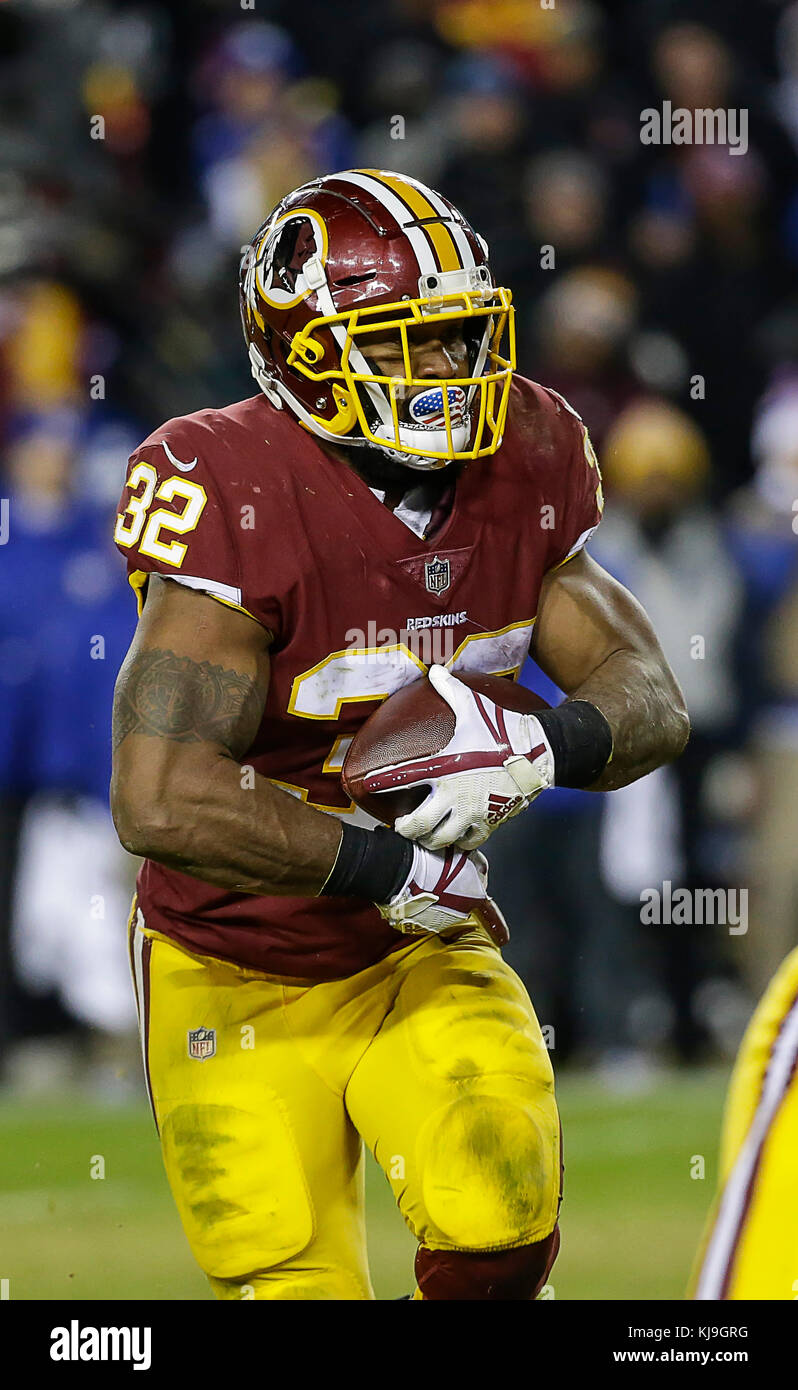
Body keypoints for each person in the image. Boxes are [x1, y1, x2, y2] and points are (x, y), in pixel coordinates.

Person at [110, 169, 688, 1301]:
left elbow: (649, 691)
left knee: (501, 1204)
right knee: (296, 1284)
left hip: (413, 946)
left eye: (465, 336)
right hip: (232, 967)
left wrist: (547, 747)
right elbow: (162, 794)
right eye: (412, 343)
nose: (455, 372)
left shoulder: (524, 455)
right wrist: (392, 863)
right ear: (315, 352)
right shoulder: (229, 485)